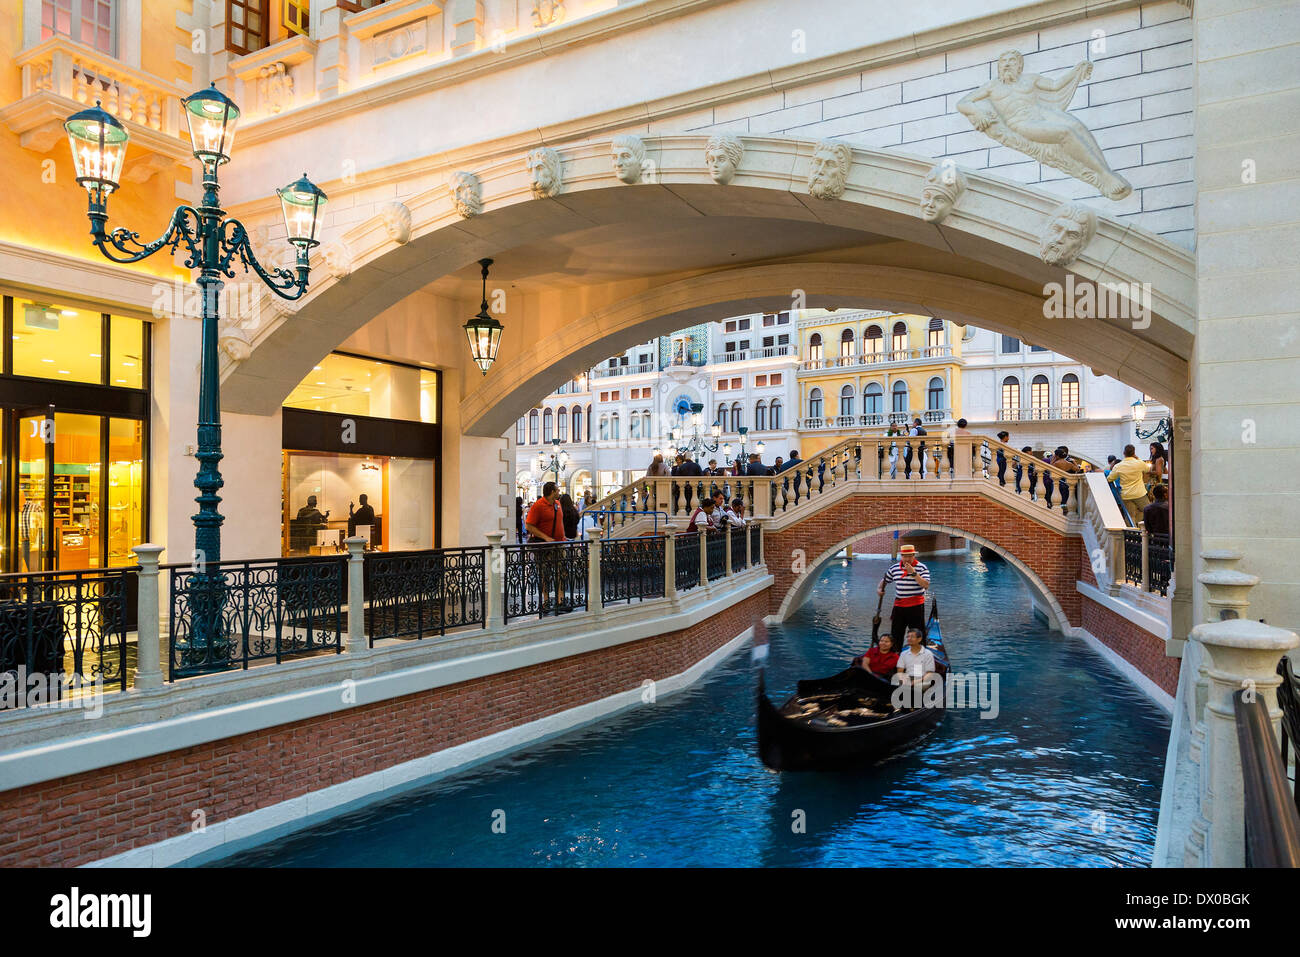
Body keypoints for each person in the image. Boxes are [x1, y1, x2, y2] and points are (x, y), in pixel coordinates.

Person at [525, 482, 568, 615]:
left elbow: (559, 522)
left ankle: (561, 601)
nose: (559, 491)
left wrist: (563, 536)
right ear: (551, 491)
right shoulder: (538, 506)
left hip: (559, 544)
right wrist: (545, 537)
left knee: (562, 572)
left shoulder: (557, 504)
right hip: (544, 546)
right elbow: (529, 526)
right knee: (545, 574)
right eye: (557, 489)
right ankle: (546, 601)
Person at [878, 544, 930, 646]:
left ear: (914, 556)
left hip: (916, 607)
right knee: (896, 634)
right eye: (905, 556)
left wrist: (914, 573)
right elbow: (885, 580)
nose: (907, 559)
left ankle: (919, 656)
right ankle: (896, 657)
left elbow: (926, 585)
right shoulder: (894, 568)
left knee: (917, 634)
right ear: (901, 556)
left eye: (910, 556)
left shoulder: (922, 567)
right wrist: (879, 589)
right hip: (899, 607)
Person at [1108, 444, 1153, 525]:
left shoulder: (1118, 466)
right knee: (1149, 512)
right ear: (1134, 453)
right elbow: (1148, 469)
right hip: (1139, 493)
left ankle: (1132, 535)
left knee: (1130, 516)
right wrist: (1137, 458)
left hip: (1126, 495)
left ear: (1124, 453)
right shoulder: (1139, 463)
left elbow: (1110, 478)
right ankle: (1145, 531)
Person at [896, 627, 938, 697]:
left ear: (919, 639)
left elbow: (929, 674)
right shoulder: (904, 653)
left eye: (912, 637)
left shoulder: (928, 654)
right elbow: (900, 671)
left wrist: (915, 682)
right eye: (908, 637)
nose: (909, 639)